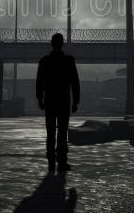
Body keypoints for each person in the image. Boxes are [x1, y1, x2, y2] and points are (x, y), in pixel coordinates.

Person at [36, 33, 80, 173]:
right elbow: (75, 82)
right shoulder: (68, 60)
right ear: (62, 44)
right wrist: (75, 101)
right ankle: (61, 162)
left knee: (51, 132)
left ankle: (51, 161)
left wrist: (40, 98)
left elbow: (39, 81)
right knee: (62, 132)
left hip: (50, 98)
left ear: (51, 43)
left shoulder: (45, 61)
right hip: (63, 99)